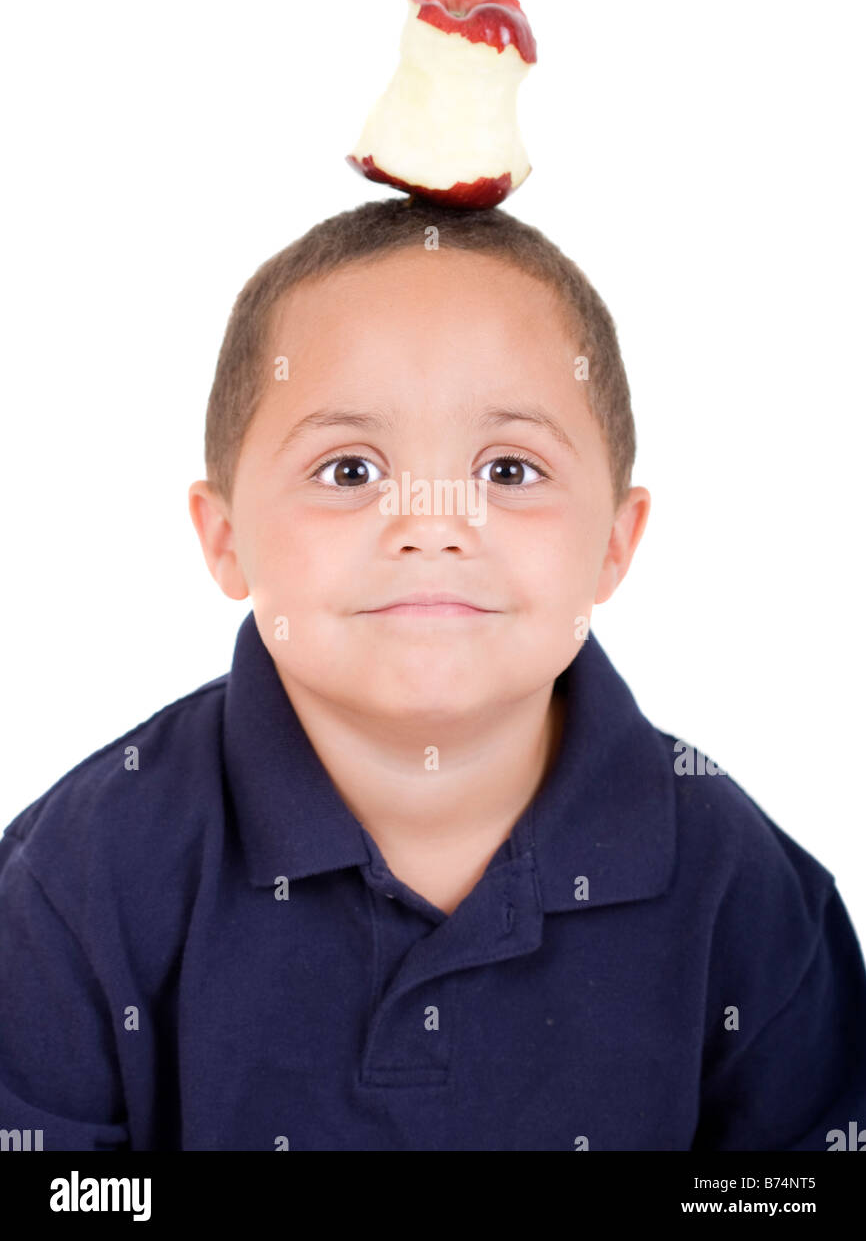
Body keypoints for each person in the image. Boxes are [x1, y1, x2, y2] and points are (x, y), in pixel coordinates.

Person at [2, 197, 864, 1150]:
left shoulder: (751, 898)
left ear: (615, 546)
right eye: (348, 470)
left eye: (507, 471)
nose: (431, 520)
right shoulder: (71, 889)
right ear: (226, 538)